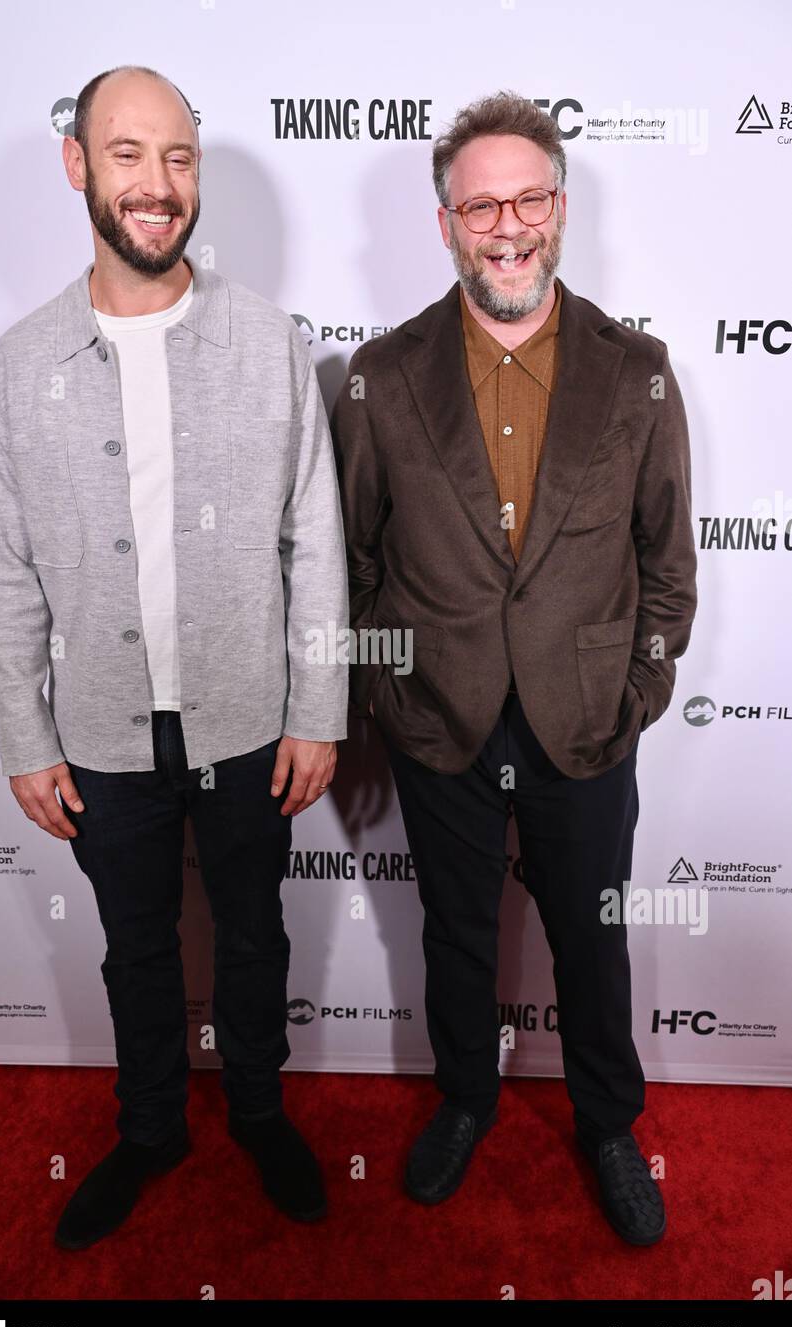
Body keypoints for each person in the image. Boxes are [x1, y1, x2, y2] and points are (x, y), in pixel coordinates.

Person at [0, 65, 348, 1248]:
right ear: (78, 166)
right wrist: (25, 739)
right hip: (97, 726)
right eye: (127, 155)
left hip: (249, 718)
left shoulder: (268, 341)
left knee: (253, 933)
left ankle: (256, 1107)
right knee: (135, 945)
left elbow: (317, 540)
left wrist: (319, 707)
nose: (156, 183)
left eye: (178, 158)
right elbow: (4, 568)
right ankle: (148, 1129)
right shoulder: (20, 363)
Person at [331, 89, 697, 1246]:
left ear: (561, 208)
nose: (506, 223)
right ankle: (465, 1097)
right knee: (453, 932)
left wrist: (637, 688)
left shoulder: (637, 370)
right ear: (444, 222)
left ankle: (606, 1121)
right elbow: (350, 560)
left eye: (528, 196)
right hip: (438, 720)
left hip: (585, 715)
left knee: (592, 933)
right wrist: (385, 693)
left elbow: (666, 561)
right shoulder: (378, 378)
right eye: (479, 202)